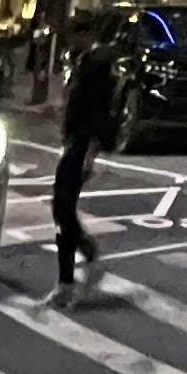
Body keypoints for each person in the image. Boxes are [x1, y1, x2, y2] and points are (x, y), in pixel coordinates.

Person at [53, 24, 119, 297]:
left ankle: (66, 281)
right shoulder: (85, 61)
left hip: (82, 142)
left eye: (74, 36)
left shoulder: (97, 66)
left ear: (87, 35)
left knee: (63, 207)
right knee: (62, 207)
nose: (70, 41)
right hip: (75, 140)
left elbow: (97, 111)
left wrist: (91, 153)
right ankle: (81, 248)